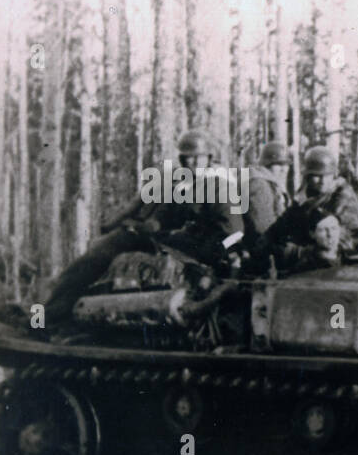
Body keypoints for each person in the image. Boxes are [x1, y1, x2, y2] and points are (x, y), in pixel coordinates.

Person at [42, 129, 239, 328]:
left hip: (203, 252)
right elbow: (164, 216)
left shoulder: (220, 187)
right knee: (106, 249)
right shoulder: (185, 185)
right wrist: (145, 227)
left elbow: (234, 233)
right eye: (188, 158)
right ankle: (43, 315)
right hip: (174, 244)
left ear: (209, 158)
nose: (194, 163)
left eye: (199, 158)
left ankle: (47, 317)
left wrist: (214, 251)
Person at [257, 146, 358, 273]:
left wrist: (303, 251)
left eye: (327, 175)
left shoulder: (343, 198)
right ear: (307, 177)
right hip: (308, 262)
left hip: (337, 266)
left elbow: (350, 239)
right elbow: (282, 226)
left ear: (334, 175)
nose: (322, 181)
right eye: (317, 176)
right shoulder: (305, 198)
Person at [245, 142, 292, 239]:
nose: (284, 169)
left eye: (286, 165)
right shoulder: (259, 184)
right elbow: (264, 226)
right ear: (266, 164)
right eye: (278, 164)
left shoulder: (271, 182)